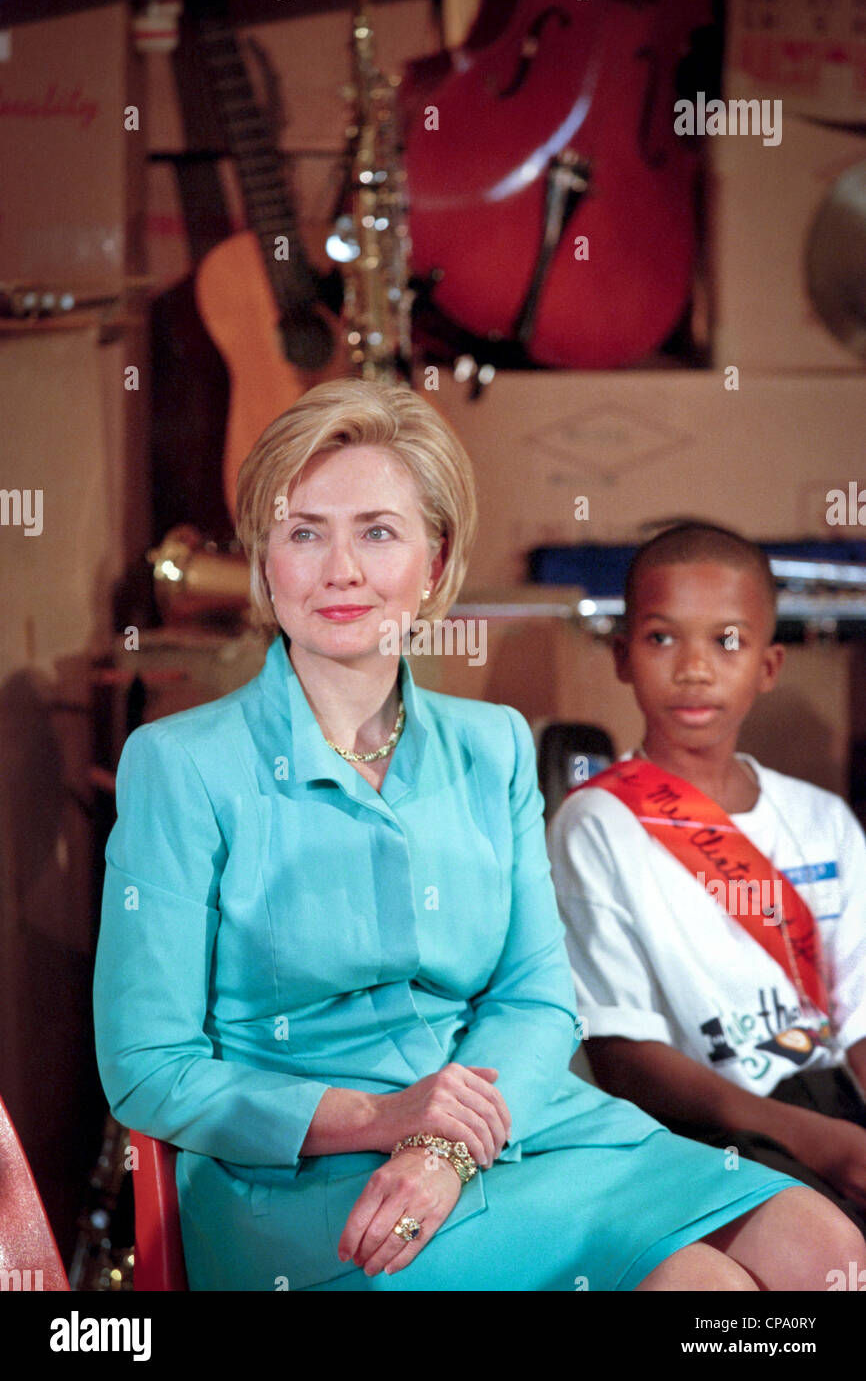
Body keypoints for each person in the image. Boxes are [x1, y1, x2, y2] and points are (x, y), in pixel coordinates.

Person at [93, 390, 863, 1291]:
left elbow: (539, 1003)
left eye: (378, 532)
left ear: (436, 559)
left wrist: (445, 1144)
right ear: (266, 560)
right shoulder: (180, 764)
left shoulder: (492, 743)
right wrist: (383, 1122)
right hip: (306, 1176)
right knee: (704, 1292)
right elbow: (149, 1069)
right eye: (304, 532)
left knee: (831, 1254)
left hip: (520, 1125)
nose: (341, 569)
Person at [548, 520, 866, 1244]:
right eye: (663, 638)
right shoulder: (597, 824)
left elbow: (858, 1017)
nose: (694, 668)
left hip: (838, 1104)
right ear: (622, 655)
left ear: (769, 663)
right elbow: (623, 1057)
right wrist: (820, 1143)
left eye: (726, 641)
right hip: (707, 1129)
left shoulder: (822, 820)